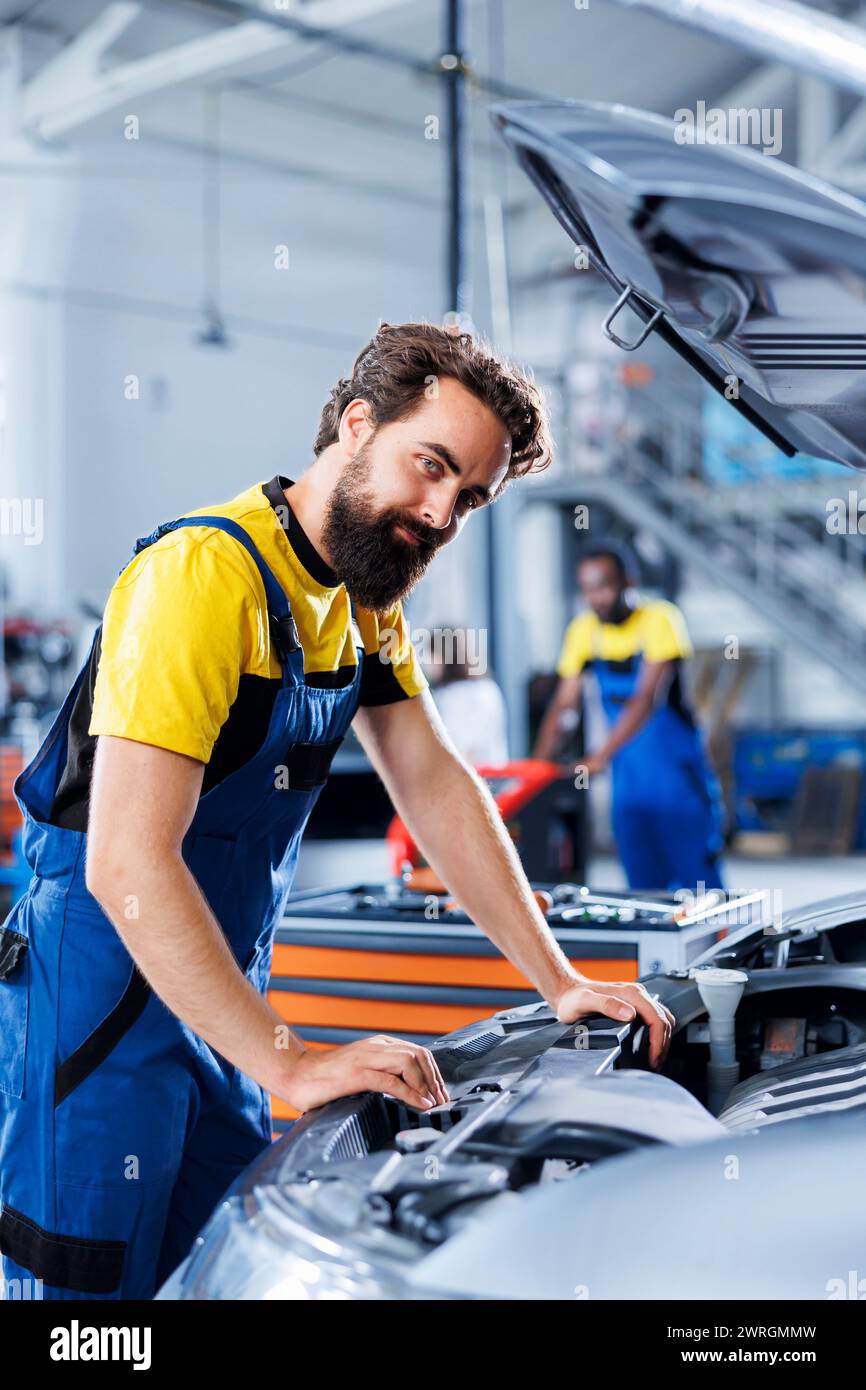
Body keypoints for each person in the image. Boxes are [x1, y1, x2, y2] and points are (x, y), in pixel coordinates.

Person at [0, 323, 673, 1300]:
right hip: (94, 1010)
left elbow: (434, 781)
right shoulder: (201, 579)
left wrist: (559, 979)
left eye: (469, 497)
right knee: (86, 1298)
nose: (441, 512)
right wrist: (294, 1059)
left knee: (223, 1269)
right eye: (429, 466)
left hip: (215, 1001)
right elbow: (127, 862)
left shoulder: (359, 604)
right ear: (356, 423)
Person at [534, 545, 724, 893]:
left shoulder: (660, 619)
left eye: (605, 586)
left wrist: (597, 759)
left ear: (629, 583)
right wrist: (538, 767)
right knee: (643, 888)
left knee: (700, 883)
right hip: (629, 783)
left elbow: (645, 699)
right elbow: (564, 705)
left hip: (676, 779)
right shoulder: (584, 630)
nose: (597, 598)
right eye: (588, 589)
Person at [429, 649, 509, 767]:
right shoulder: (489, 687)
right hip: (498, 773)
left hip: (469, 774)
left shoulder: (451, 695)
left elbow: (460, 748)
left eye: (431, 656)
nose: (428, 664)